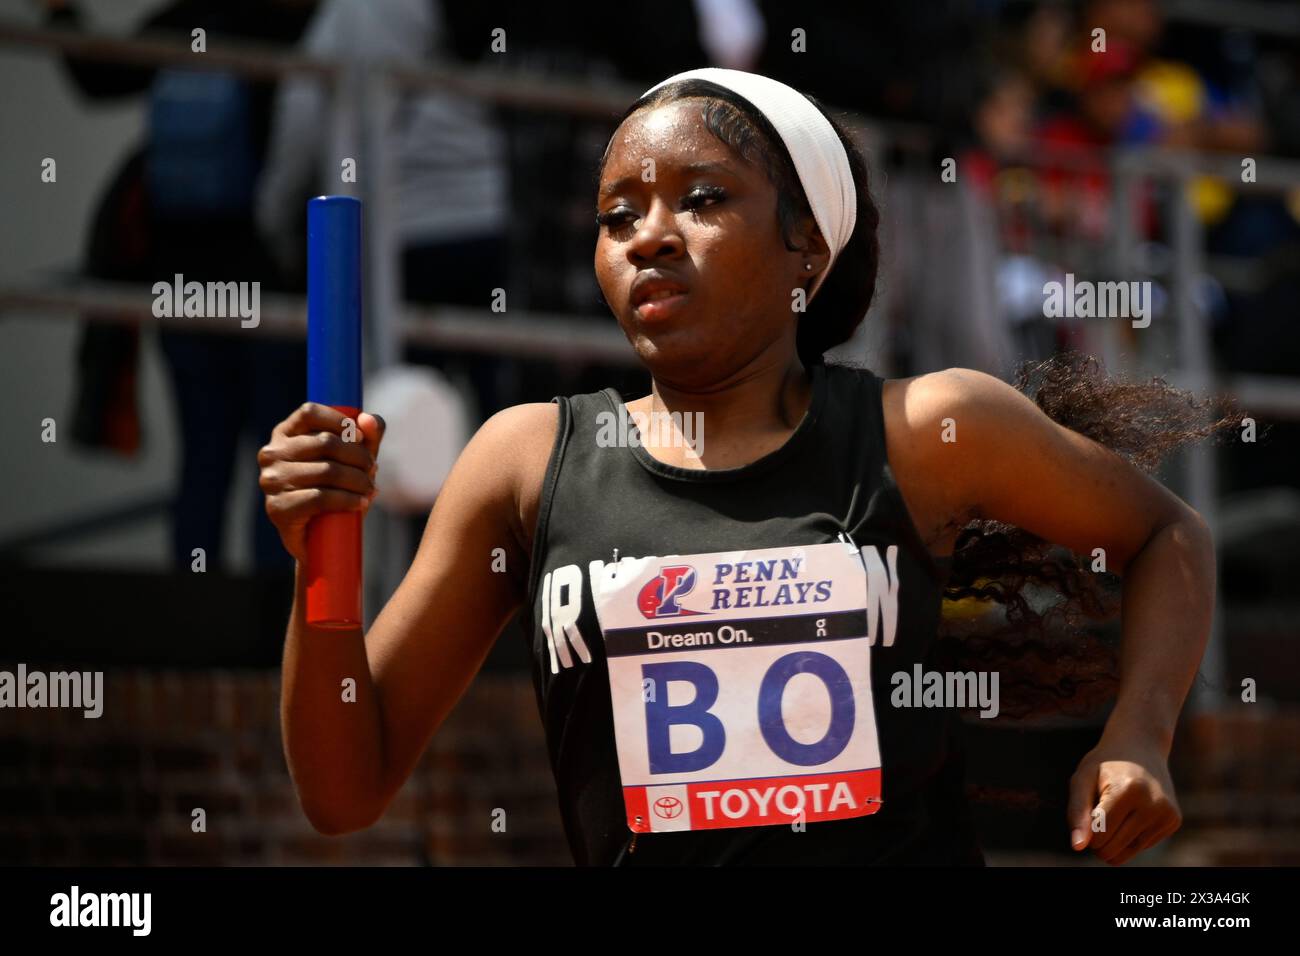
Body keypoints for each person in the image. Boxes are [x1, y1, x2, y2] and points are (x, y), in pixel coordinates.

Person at [259, 69, 1214, 866]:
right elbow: (344, 791)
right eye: (617, 214)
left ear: (806, 243)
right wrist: (316, 561)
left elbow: (1167, 532)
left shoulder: (930, 429)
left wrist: (1140, 736)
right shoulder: (523, 460)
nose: (650, 235)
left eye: (704, 198)